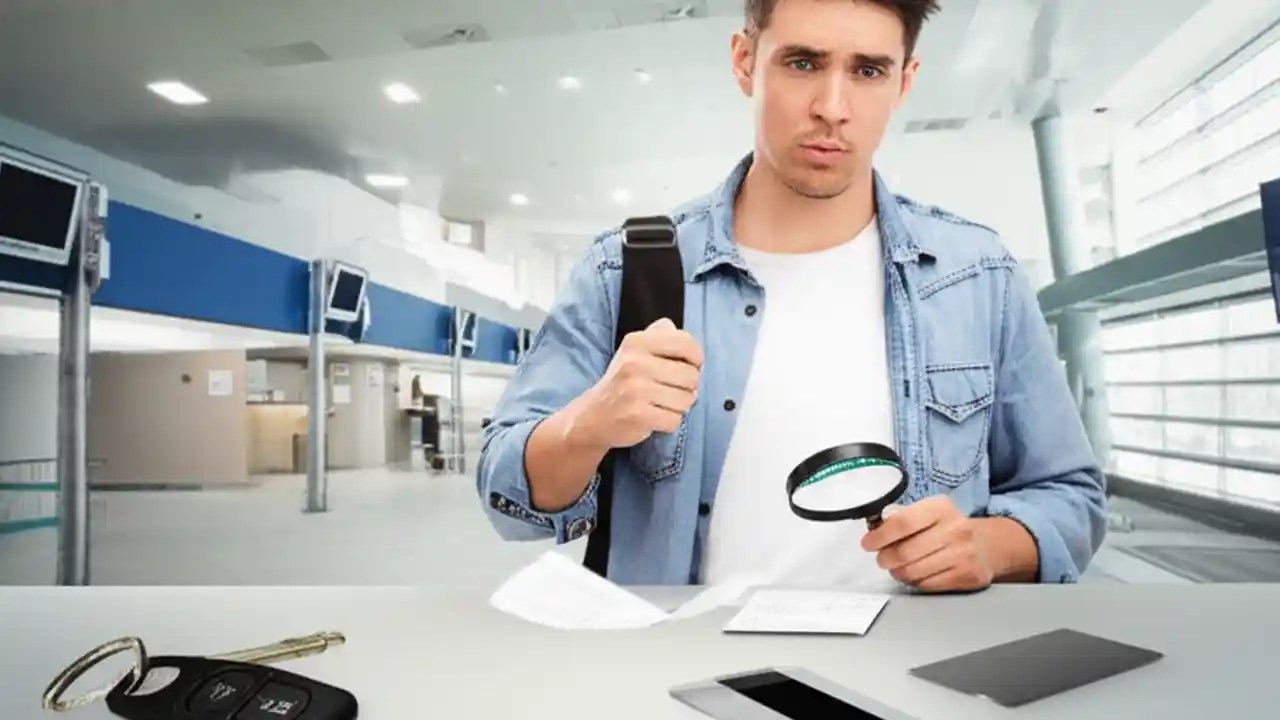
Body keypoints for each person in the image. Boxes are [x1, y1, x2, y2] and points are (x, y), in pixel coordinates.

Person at [476, 0, 1106, 591]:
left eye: (868, 71)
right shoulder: (624, 270)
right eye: (803, 63)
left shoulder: (977, 276)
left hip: (915, 660)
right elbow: (506, 498)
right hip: (684, 659)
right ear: (744, 61)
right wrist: (589, 424)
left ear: (904, 82)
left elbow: (1071, 497)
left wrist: (990, 546)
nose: (832, 107)